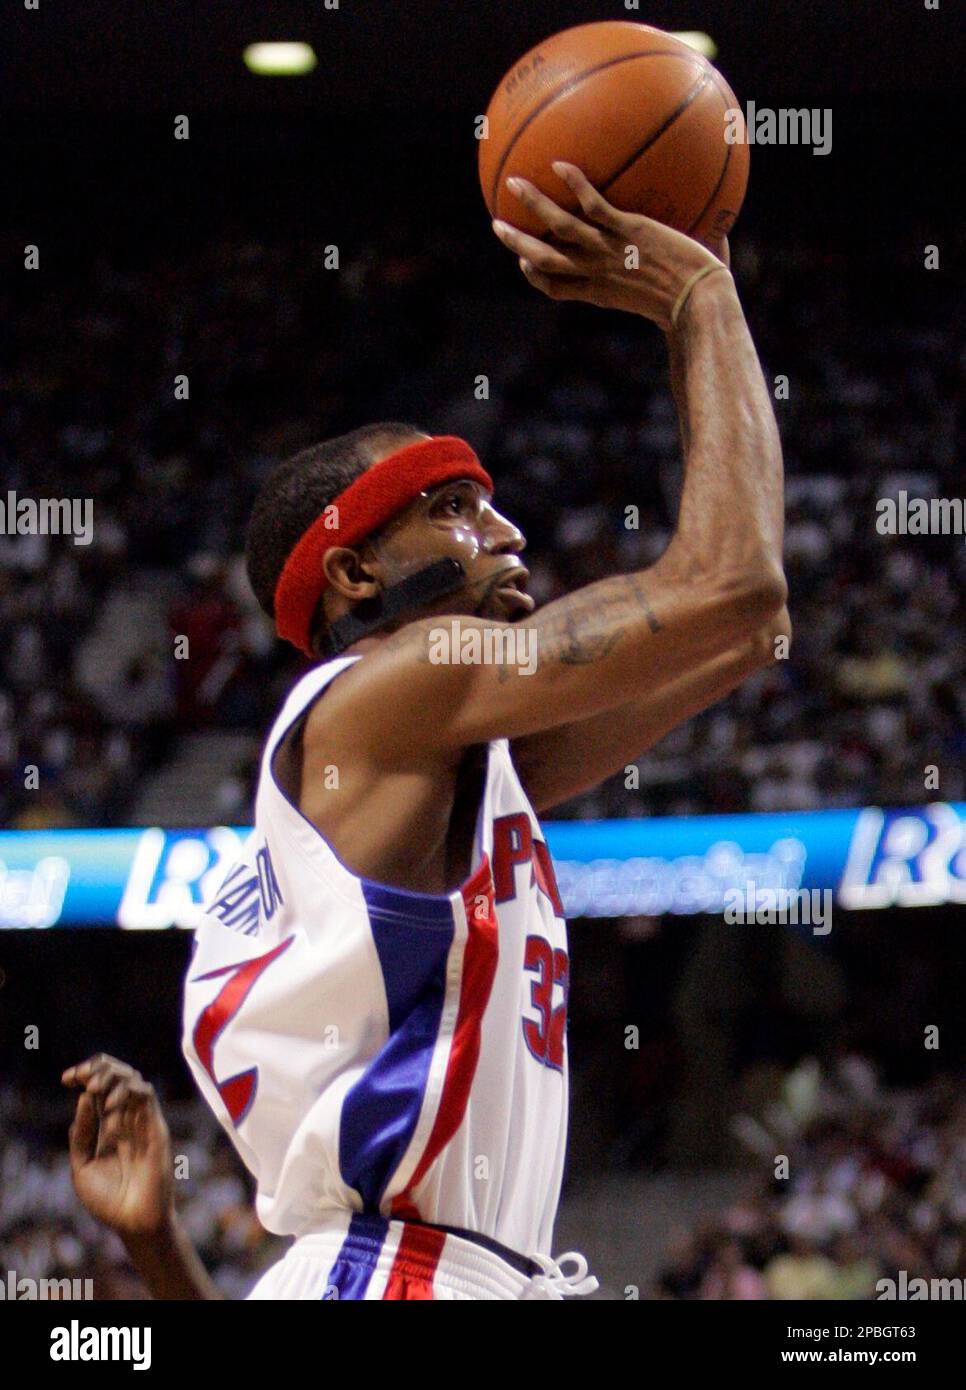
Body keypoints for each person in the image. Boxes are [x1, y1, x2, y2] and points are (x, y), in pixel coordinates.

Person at [63, 162, 789, 1300]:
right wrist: (700, 297)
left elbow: (750, 630)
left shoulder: (437, 774)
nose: (503, 526)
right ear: (353, 570)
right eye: (450, 508)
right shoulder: (390, 691)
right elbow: (731, 585)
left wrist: (158, 1249)